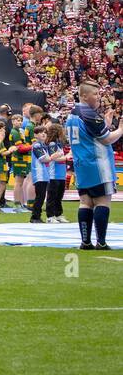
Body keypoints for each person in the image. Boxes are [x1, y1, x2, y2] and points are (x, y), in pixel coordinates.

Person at [66, 81, 123, 251]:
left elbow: (89, 135)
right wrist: (120, 129)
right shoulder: (88, 113)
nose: (99, 97)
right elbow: (106, 139)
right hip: (98, 164)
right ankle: (102, 242)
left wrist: (104, 122)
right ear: (84, 95)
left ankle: (85, 242)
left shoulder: (73, 113)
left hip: (82, 163)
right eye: (95, 94)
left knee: (85, 202)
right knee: (102, 201)